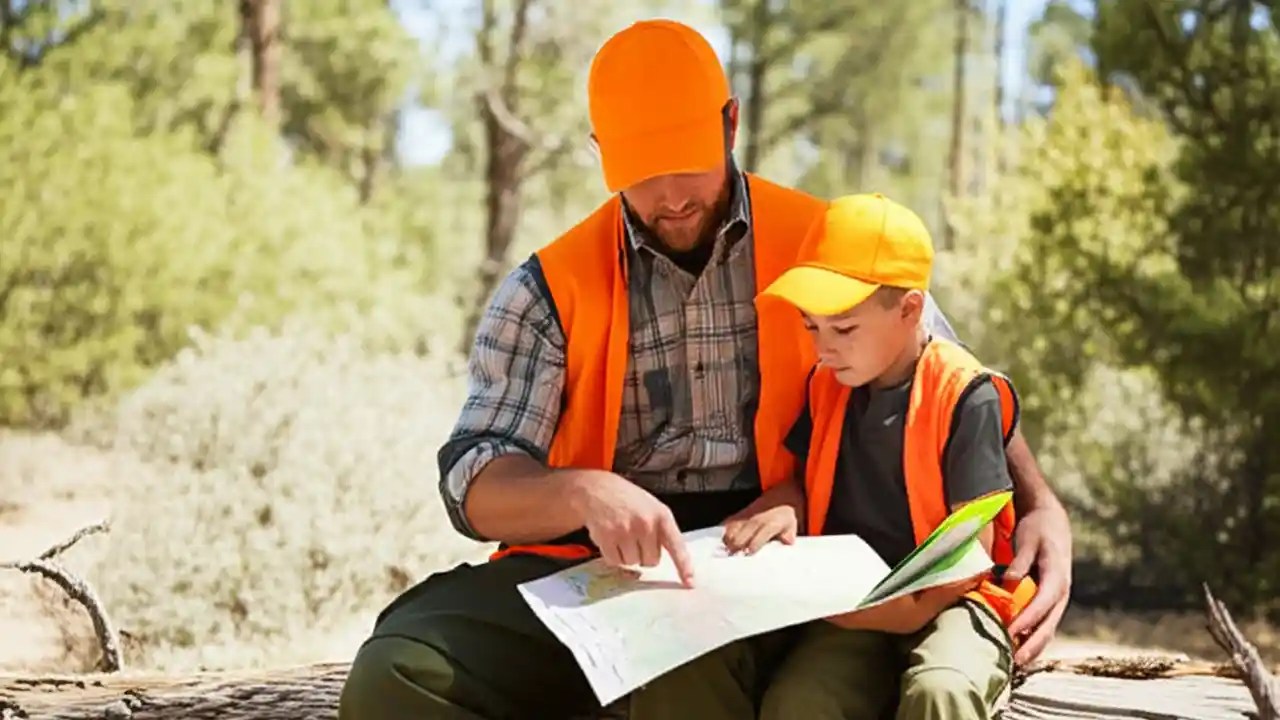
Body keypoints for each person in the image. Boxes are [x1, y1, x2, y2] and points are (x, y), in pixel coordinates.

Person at [337, 18, 1071, 720]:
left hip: (788, 558)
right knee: (394, 674)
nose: (673, 195)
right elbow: (475, 485)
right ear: (601, 152)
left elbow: (939, 383)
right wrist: (585, 494)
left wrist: (1040, 503)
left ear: (731, 123)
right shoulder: (545, 290)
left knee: (682, 664)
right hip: (594, 566)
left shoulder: (830, 249)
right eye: (643, 173)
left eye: (688, 160)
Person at [725, 192, 1034, 719]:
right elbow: (804, 479)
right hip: (855, 607)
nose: (824, 348)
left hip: (953, 602)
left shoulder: (965, 392)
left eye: (843, 329)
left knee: (942, 690)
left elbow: (969, 549)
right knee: (797, 704)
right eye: (812, 328)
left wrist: (900, 615)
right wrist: (785, 506)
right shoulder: (827, 385)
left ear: (910, 308)